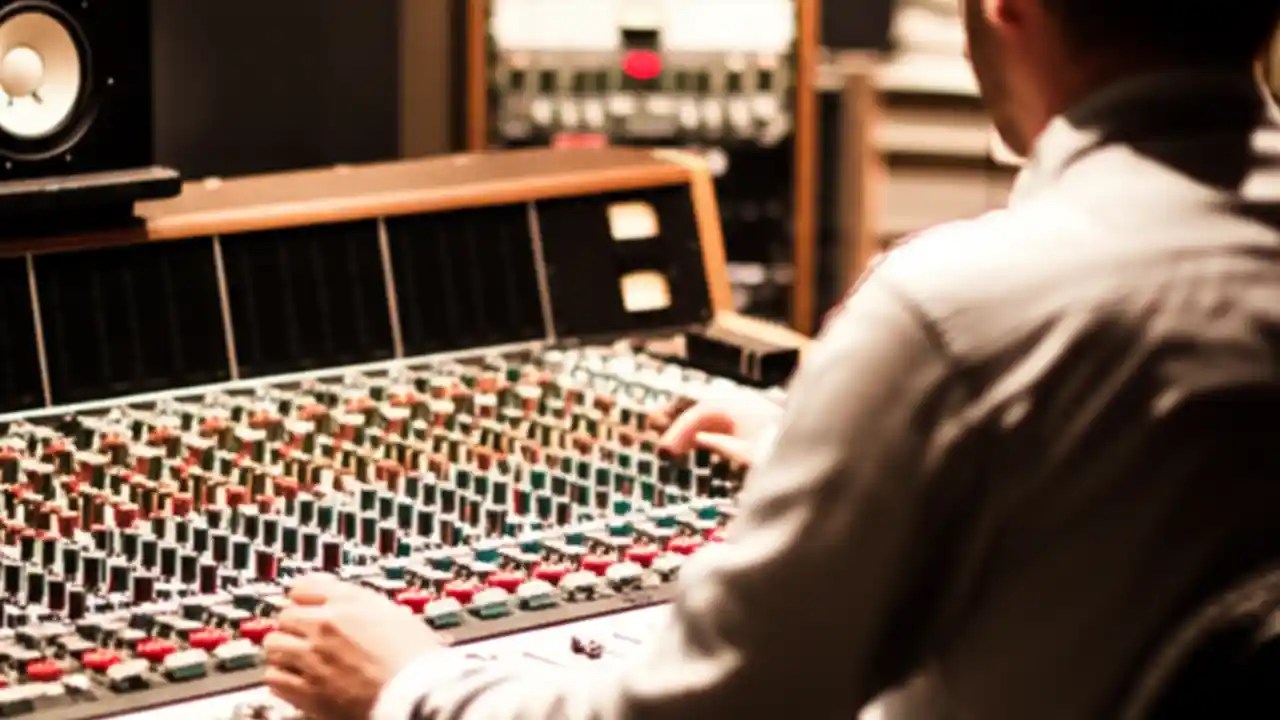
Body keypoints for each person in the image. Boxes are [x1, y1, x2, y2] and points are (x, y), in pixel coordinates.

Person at [262, 0, 1280, 717]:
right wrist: (851, 445)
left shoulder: (953, 312)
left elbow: (717, 711)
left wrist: (410, 687)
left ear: (1008, 6)